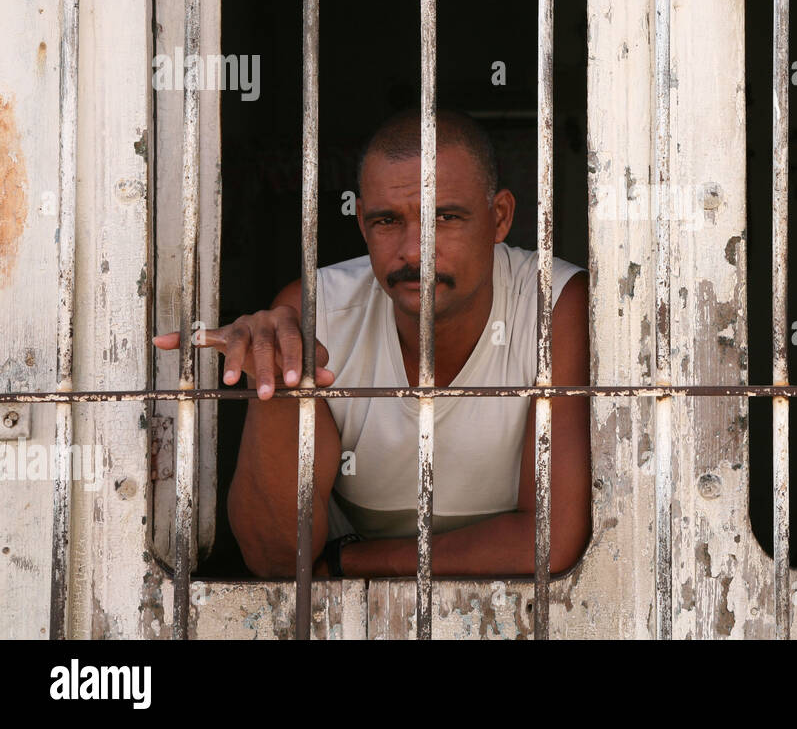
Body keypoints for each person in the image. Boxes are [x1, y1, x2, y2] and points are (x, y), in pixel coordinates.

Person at [153, 108, 591, 579]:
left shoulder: (554, 307)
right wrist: (275, 386)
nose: (413, 250)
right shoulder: (314, 314)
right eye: (387, 221)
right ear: (362, 223)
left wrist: (350, 561)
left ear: (500, 217)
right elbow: (278, 561)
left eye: (445, 217)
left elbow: (550, 539)